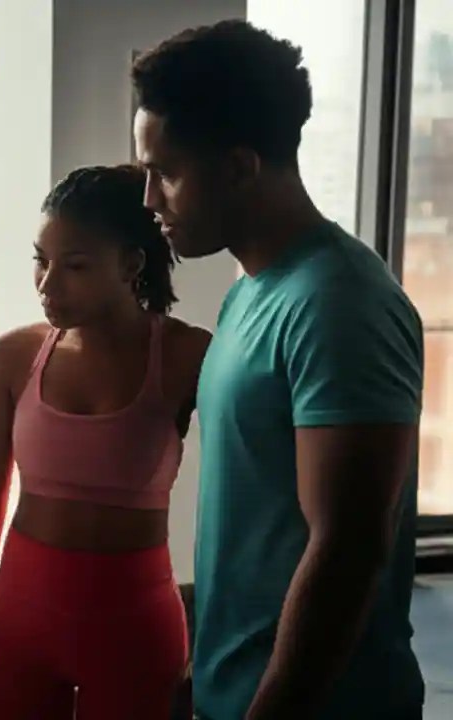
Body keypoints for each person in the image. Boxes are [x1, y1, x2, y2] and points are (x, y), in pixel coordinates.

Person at [132, 20, 425, 720]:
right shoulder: (251, 291)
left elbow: (348, 547)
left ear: (239, 167)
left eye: (165, 172)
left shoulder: (338, 303)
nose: (151, 200)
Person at [0, 165, 211, 720]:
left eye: (75, 266)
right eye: (41, 259)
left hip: (135, 623)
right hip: (20, 617)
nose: (47, 283)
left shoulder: (189, 356)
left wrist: (213, 640)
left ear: (131, 264)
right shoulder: (13, 357)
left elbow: (240, 495)